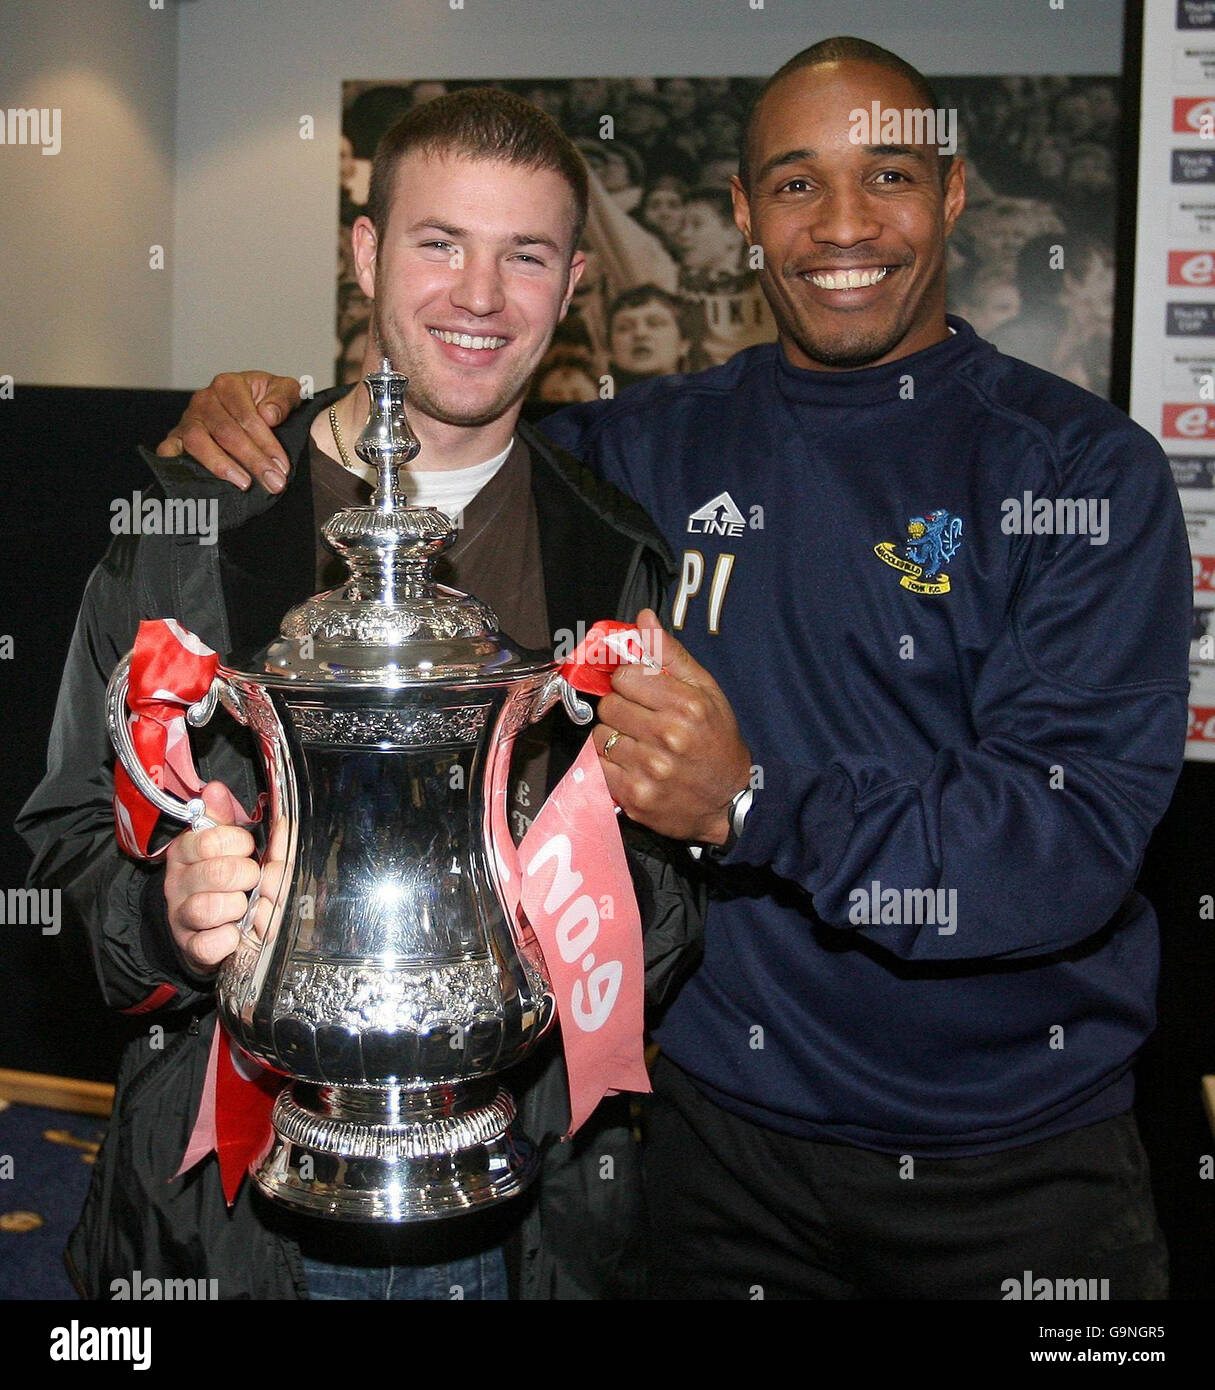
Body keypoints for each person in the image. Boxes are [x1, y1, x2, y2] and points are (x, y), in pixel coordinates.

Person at [149, 37, 1190, 1302]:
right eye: (797, 185)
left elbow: (1067, 844)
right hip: (712, 1145)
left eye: (891, 178)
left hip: (1015, 1160)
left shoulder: (1082, 474)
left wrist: (753, 805)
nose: (843, 224)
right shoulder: (642, 452)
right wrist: (276, 412)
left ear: (956, 193)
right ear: (745, 216)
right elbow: (457, 408)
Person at [18, 87, 695, 1302]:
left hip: (524, 1211)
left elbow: (681, 908)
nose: (479, 298)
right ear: (368, 251)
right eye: (439, 243)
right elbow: (55, 857)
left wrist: (595, 892)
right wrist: (166, 917)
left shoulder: (614, 557)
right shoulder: (195, 524)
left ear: (576, 282)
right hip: (220, 1214)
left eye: (524, 256)